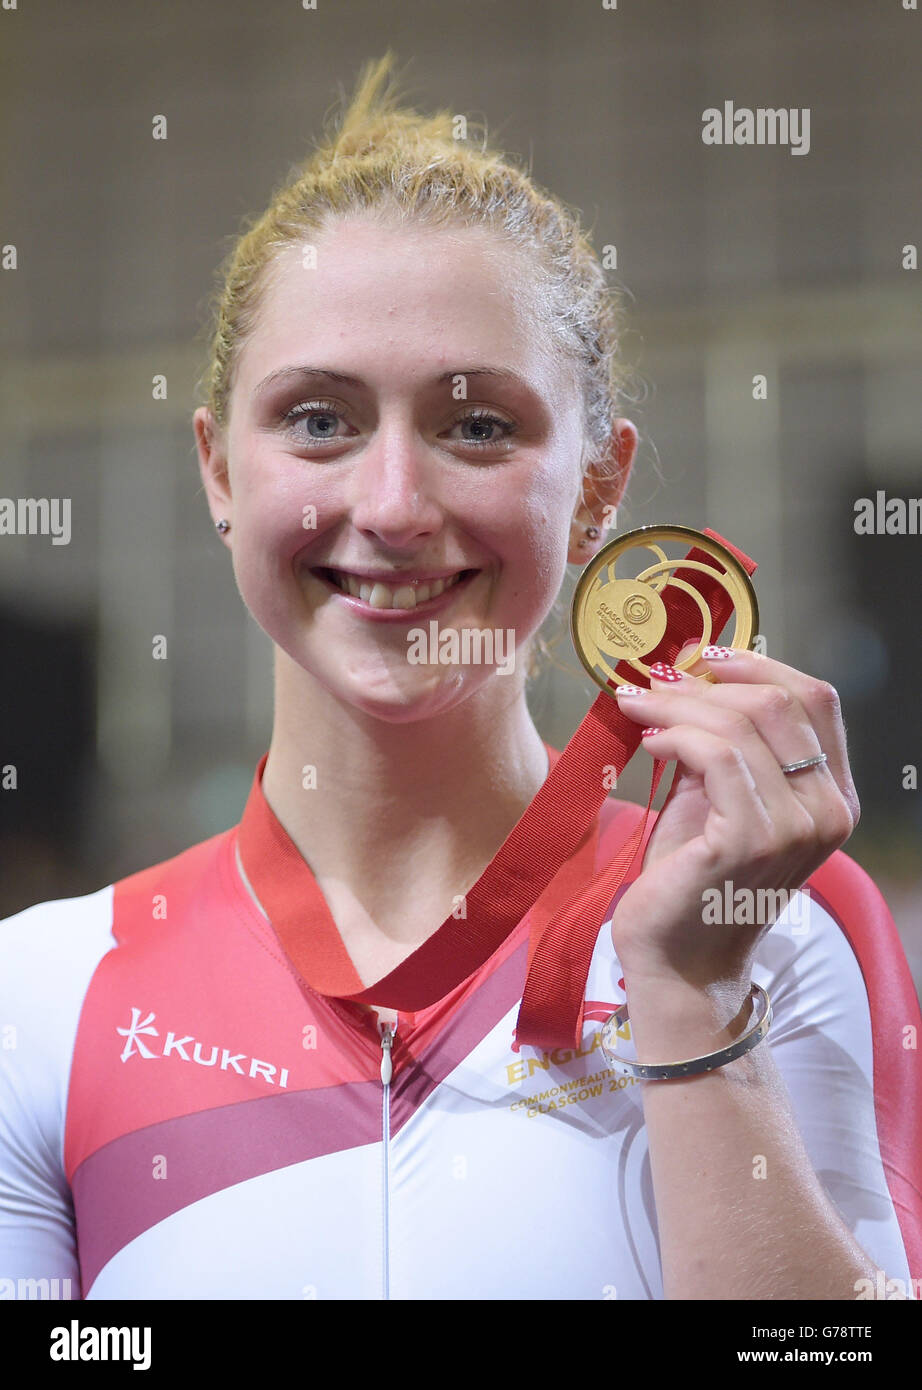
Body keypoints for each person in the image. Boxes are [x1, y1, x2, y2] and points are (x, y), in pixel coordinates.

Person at [1, 54, 919, 1303]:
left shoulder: (787, 923)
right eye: (319, 419)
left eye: (476, 424)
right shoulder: (40, 999)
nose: (390, 506)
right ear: (220, 471)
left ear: (598, 484)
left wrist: (697, 1002)